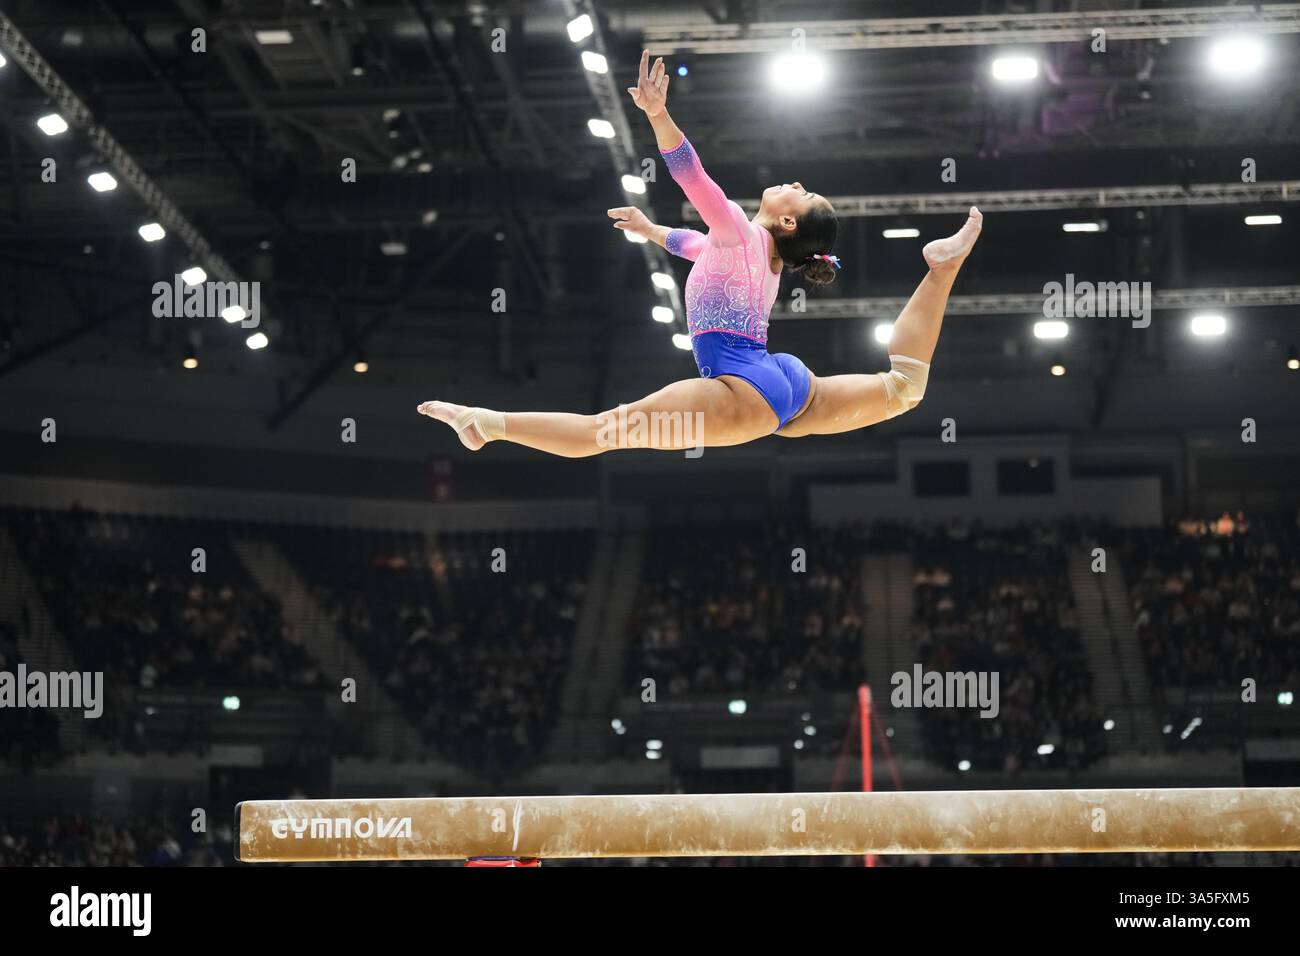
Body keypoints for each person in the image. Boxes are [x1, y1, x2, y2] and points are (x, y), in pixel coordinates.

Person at [420, 51, 982, 456]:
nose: (795, 180)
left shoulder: (739, 230)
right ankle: (941, 272)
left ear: (788, 220)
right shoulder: (760, 256)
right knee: (903, 390)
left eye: (802, 193)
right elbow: (698, 246)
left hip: (742, 388)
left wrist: (658, 116)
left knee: (604, 432)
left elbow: (695, 179)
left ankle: (488, 422)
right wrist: (652, 231)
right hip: (778, 382)